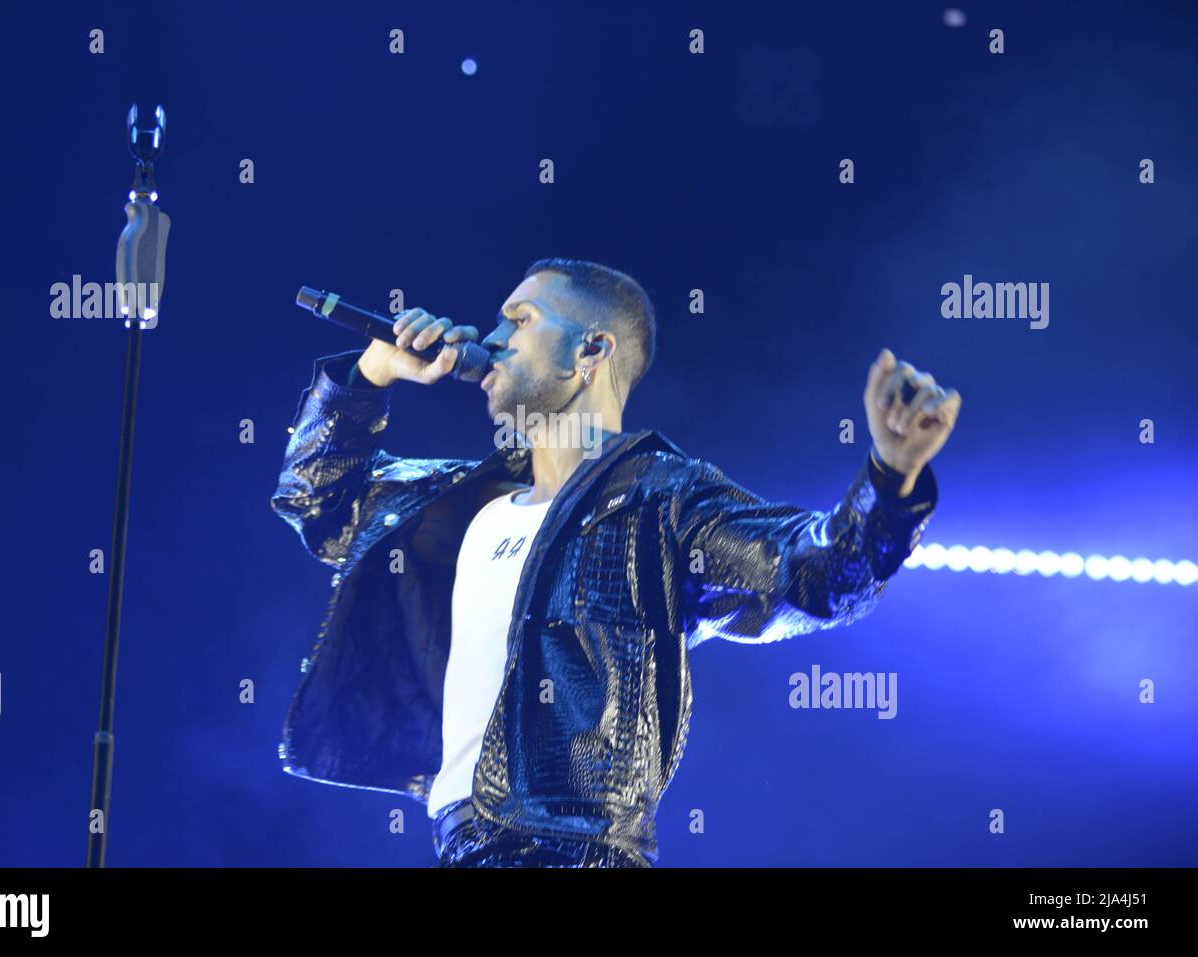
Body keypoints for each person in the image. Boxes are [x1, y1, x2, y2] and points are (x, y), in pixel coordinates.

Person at [270, 257, 961, 867]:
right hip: (459, 843)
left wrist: (890, 480)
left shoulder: (660, 496)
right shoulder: (460, 505)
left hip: (575, 852)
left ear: (589, 349)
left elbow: (819, 572)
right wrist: (371, 373)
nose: (492, 336)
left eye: (520, 319)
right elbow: (316, 501)